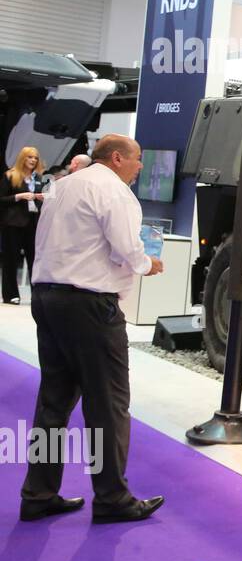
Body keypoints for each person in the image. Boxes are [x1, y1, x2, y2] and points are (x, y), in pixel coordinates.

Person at [18, 135, 166, 524]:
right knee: (108, 404)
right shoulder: (113, 192)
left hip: (48, 297)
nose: (139, 168)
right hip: (89, 305)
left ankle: (38, 492)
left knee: (54, 401)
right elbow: (126, 249)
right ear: (117, 158)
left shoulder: (62, 186)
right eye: (136, 161)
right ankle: (112, 497)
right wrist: (147, 264)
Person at [0, 146, 47, 304]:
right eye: (29, 157)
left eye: (35, 158)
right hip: (13, 223)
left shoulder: (40, 178)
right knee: (11, 260)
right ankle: (11, 294)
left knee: (35, 259)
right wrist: (19, 196)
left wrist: (42, 197)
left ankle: (37, 295)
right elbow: (2, 199)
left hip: (34, 223)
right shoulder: (11, 176)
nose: (33, 160)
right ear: (23, 158)